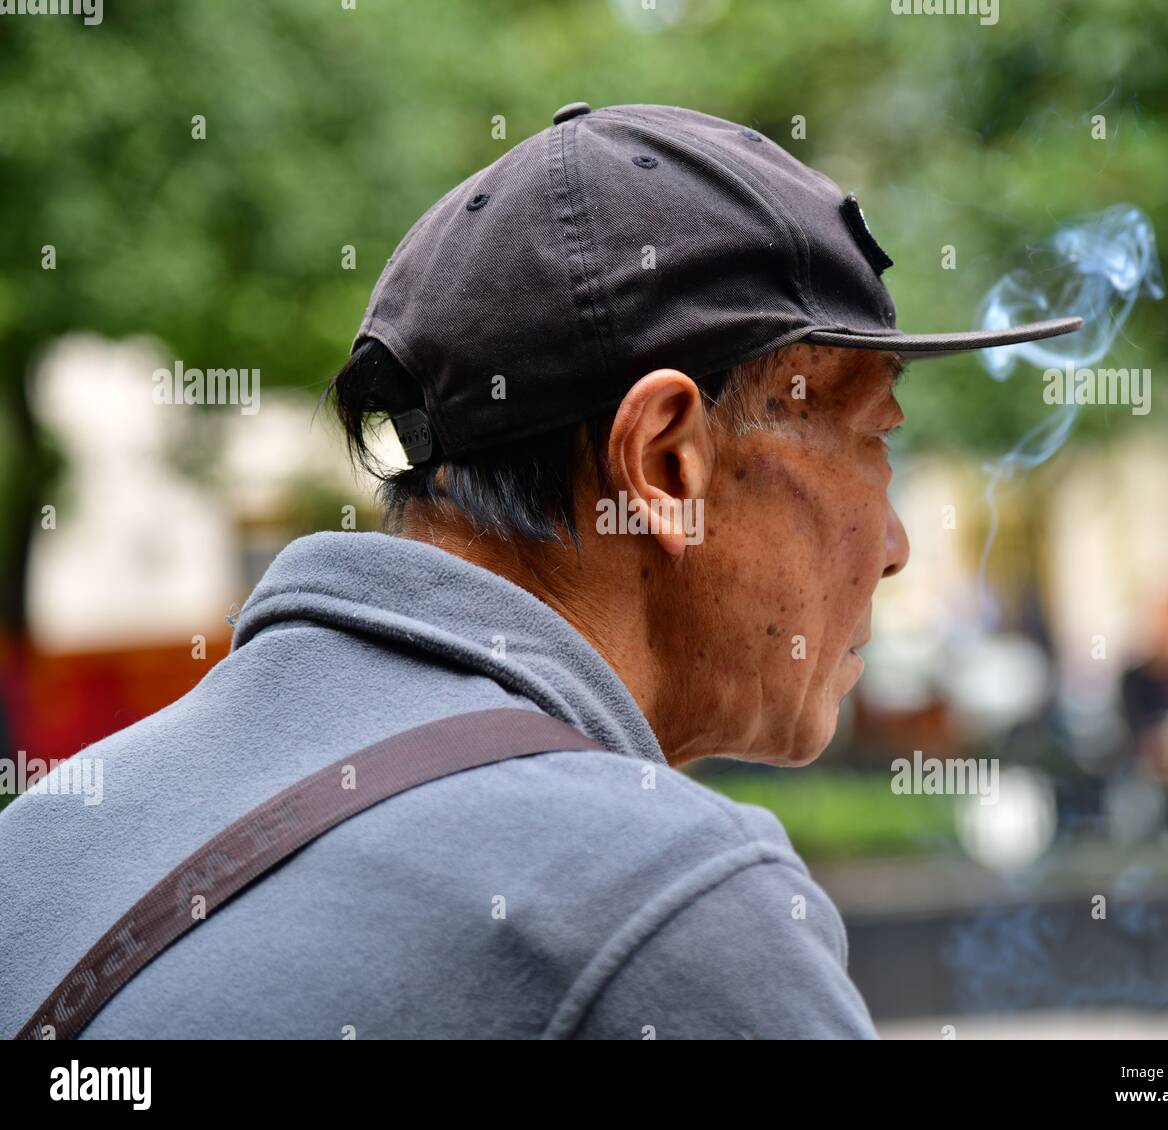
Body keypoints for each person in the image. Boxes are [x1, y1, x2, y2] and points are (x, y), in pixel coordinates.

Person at [0, 102, 1079, 1039]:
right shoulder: (664, 902)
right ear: (664, 459)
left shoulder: (39, 842)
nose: (894, 545)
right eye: (871, 440)